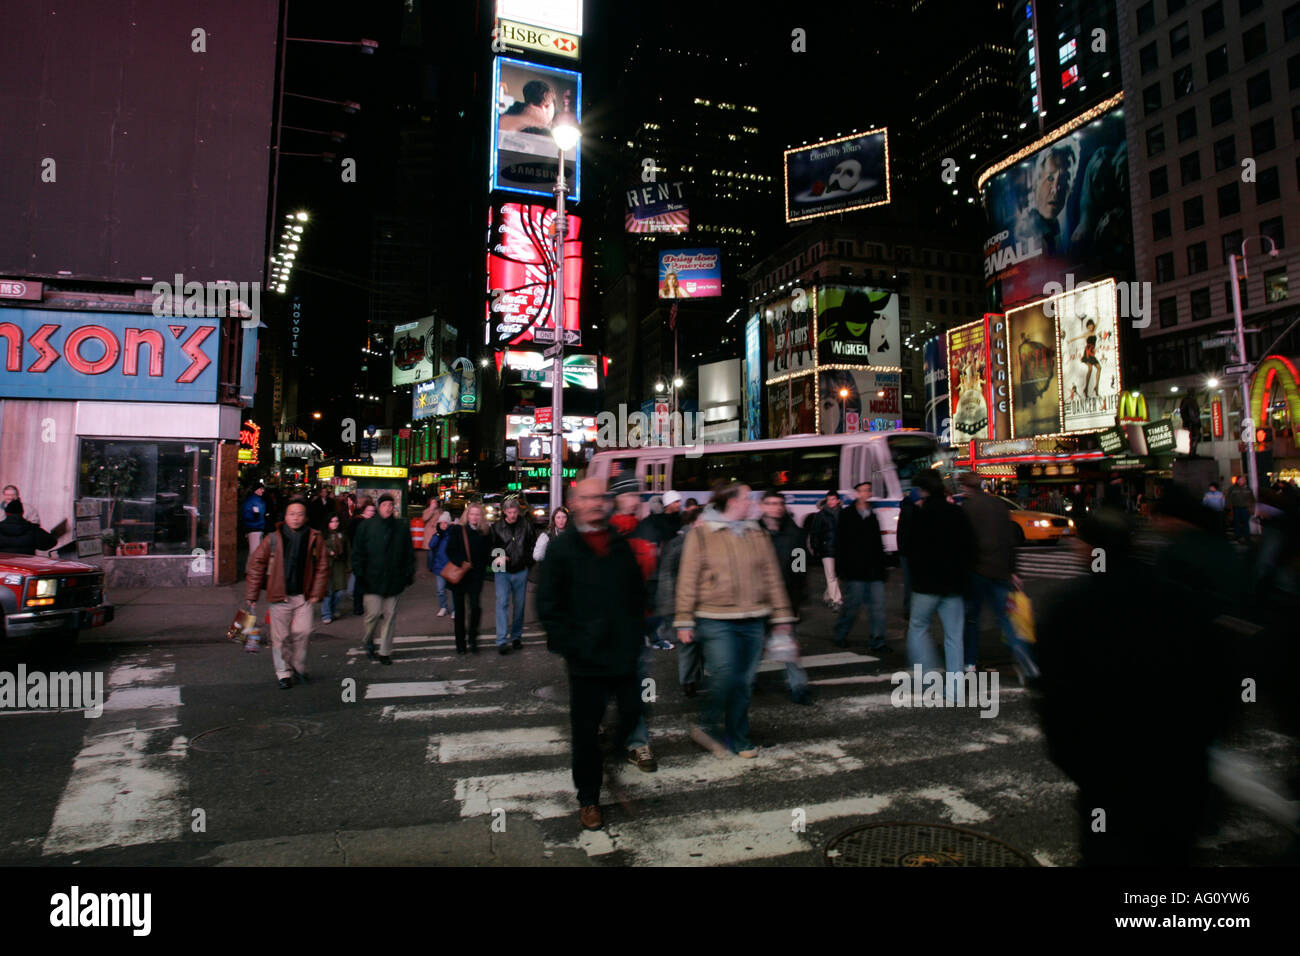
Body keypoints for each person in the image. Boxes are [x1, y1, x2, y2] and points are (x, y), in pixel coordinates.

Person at [539, 477, 652, 832]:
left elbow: (636, 594)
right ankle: (588, 798)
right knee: (585, 733)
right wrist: (569, 645)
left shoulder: (618, 545)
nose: (594, 503)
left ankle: (616, 755)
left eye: (599, 497)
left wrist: (636, 635)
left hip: (622, 653)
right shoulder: (562, 549)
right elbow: (547, 604)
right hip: (585, 659)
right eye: (586, 498)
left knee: (634, 710)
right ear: (573, 503)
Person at [674, 482, 795, 758]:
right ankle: (707, 723)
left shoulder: (757, 533)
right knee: (727, 675)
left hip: (754, 617)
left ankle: (739, 737)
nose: (751, 502)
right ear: (731, 502)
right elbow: (688, 578)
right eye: (745, 498)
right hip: (715, 616)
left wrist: (782, 615)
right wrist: (683, 620)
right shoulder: (703, 533)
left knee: (743, 681)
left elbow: (771, 576)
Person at [899, 469, 975, 694]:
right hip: (954, 584)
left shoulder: (920, 515)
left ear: (922, 490)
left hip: (926, 584)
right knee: (954, 636)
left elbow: (910, 549)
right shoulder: (957, 513)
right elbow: (970, 548)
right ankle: (955, 688)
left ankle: (929, 679)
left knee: (918, 627)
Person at [958, 472, 1037, 682]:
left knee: (972, 619)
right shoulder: (1000, 506)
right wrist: (1014, 571)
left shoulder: (967, 508)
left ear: (966, 488)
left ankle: (970, 663)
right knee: (1006, 618)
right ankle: (1024, 659)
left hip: (977, 571)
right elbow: (1010, 540)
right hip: (1001, 569)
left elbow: (965, 543)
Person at [244, 499, 330, 688]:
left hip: (304, 595)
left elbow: (323, 566)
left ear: (306, 517)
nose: (296, 518)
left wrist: (317, 592)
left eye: (300, 514)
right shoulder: (272, 538)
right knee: (280, 637)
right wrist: (252, 596)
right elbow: (256, 565)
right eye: (292, 514)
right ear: (285, 516)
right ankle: (283, 673)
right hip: (279, 595)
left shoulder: (314, 537)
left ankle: (298, 667)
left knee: (303, 632)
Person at [760, 491, 812, 704]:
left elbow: (799, 569)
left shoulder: (795, 534)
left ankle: (799, 686)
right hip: (758, 598)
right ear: (762, 506)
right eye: (771, 503)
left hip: (785, 598)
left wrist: (797, 601)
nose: (776, 507)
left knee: (789, 646)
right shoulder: (752, 532)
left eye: (779, 503)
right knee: (754, 644)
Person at [352, 494, 415, 665]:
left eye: (390, 504)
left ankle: (385, 652)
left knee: (390, 615)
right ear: (379, 507)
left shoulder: (401, 527)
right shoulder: (366, 526)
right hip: (371, 579)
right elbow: (358, 552)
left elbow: (408, 552)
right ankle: (368, 639)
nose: (388, 508)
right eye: (385, 504)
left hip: (394, 579)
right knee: (372, 615)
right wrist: (359, 573)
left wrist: (409, 572)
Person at [832, 481, 890, 653]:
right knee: (852, 605)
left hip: (872, 569)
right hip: (855, 569)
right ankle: (840, 634)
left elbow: (878, 544)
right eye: (862, 491)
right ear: (857, 493)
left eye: (868, 490)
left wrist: (882, 566)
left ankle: (878, 641)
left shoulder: (872, 514)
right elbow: (841, 542)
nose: (866, 493)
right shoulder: (848, 514)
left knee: (877, 607)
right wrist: (841, 567)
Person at [659, 507, 703, 696]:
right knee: (689, 643)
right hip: (684, 600)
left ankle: (692, 678)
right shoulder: (681, 543)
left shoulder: (702, 541)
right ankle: (689, 681)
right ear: (693, 522)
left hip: (699, 600)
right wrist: (670, 605)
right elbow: (668, 575)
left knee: (696, 643)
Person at [491, 494, 536, 655]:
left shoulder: (526, 525)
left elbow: (533, 545)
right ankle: (502, 640)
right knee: (502, 603)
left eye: (514, 512)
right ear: (504, 512)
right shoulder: (496, 527)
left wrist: (526, 561)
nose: (512, 515)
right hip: (502, 570)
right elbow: (491, 548)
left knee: (519, 606)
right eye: (509, 512)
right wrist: (499, 555)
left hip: (520, 569)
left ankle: (516, 637)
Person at [446, 503, 493, 654]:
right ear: (467, 515)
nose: (474, 517)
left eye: (477, 514)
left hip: (475, 576)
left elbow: (488, 554)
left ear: (481, 516)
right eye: (472, 514)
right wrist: (462, 562)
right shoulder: (457, 530)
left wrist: (496, 567)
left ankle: (473, 640)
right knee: (459, 611)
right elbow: (450, 550)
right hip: (460, 575)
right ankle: (460, 644)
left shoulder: (484, 532)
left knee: (475, 608)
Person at [810, 490, 843, 608]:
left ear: (838, 501)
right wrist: (815, 547)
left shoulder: (843, 514)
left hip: (840, 549)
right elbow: (815, 533)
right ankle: (836, 600)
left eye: (833, 499)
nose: (831, 502)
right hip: (826, 548)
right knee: (831, 575)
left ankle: (828, 596)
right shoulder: (820, 515)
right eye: (829, 499)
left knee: (836, 575)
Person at [321, 513, 350, 624]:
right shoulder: (323, 535)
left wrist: (349, 566)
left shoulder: (342, 535)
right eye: (332, 521)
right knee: (328, 591)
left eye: (336, 521)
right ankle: (327, 613)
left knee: (339, 591)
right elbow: (319, 548)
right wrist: (329, 551)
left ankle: (333, 609)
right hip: (327, 565)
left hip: (339, 565)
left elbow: (348, 550)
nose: (335, 524)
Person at [430, 515, 454, 617]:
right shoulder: (437, 535)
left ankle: (454, 609)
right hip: (439, 566)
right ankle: (443, 607)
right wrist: (438, 534)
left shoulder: (452, 535)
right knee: (440, 590)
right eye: (442, 523)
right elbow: (431, 545)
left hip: (450, 567)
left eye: (446, 523)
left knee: (453, 590)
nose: (444, 525)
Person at [241, 483, 268, 556]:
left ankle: (252, 566)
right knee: (255, 553)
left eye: (263, 489)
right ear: (256, 490)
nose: (263, 491)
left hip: (259, 528)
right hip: (254, 529)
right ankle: (252, 567)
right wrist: (255, 517)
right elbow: (246, 515)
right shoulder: (251, 501)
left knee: (255, 552)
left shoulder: (260, 501)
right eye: (261, 489)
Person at [1228, 476, 1255, 542]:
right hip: (1236, 507)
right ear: (1238, 481)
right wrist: (1229, 507)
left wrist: (1252, 508)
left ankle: (1247, 536)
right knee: (1236, 522)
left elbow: (1252, 499)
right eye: (1241, 479)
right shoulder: (1233, 488)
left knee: (1246, 522)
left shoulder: (1248, 489)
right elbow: (1229, 498)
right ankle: (1237, 535)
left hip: (1245, 508)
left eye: (1244, 479)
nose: (1243, 480)